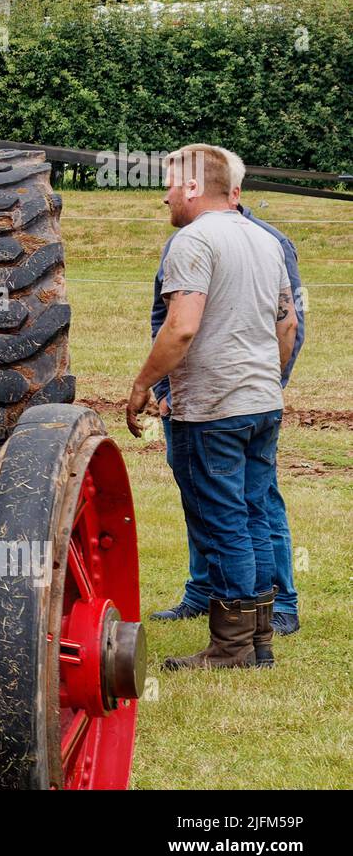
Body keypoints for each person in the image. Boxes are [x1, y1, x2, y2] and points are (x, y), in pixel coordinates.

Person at [126, 144, 298, 670]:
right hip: (262, 403)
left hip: (213, 408)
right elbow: (286, 325)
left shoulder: (192, 240)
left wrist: (142, 386)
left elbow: (180, 327)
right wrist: (270, 380)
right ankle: (260, 639)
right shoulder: (263, 240)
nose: (165, 196)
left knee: (221, 523)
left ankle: (230, 648)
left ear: (195, 187)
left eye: (172, 184)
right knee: (251, 514)